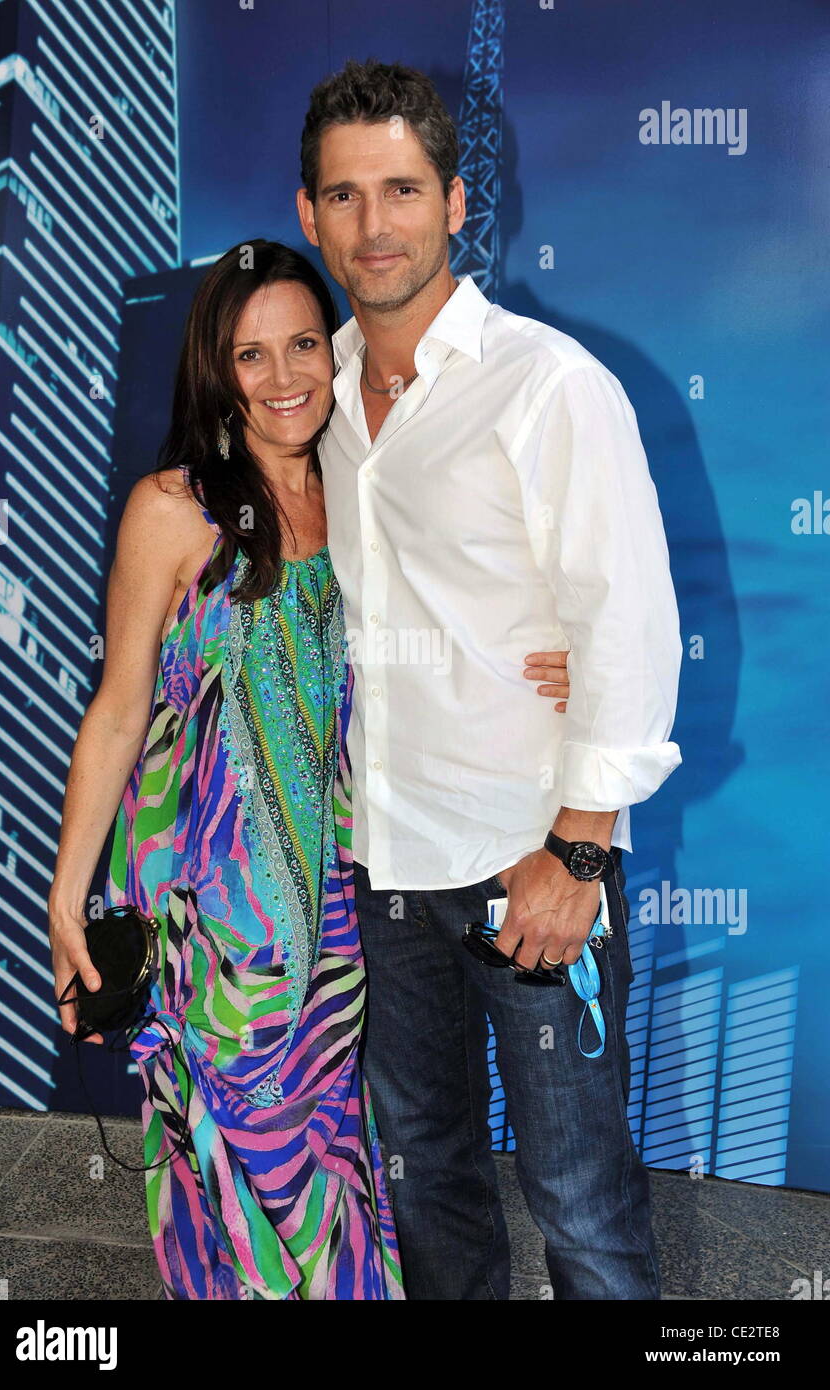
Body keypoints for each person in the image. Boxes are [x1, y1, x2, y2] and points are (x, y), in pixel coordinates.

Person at [47, 238, 570, 1300]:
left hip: (338, 901)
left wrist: (555, 653)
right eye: (252, 355)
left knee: (334, 1157)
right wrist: (66, 899)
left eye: (302, 347)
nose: (285, 378)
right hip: (213, 913)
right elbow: (118, 711)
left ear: (334, 354)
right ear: (216, 370)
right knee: (249, 1153)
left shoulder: (362, 490)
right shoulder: (175, 508)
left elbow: (461, 613)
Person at [296, 59, 683, 1300]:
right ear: (309, 215)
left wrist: (578, 851)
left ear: (456, 201)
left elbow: (624, 619)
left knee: (579, 1198)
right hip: (388, 864)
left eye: (402, 189)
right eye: (345, 196)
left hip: (529, 857)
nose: (375, 225)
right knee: (427, 1175)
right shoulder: (318, 401)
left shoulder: (548, 384)